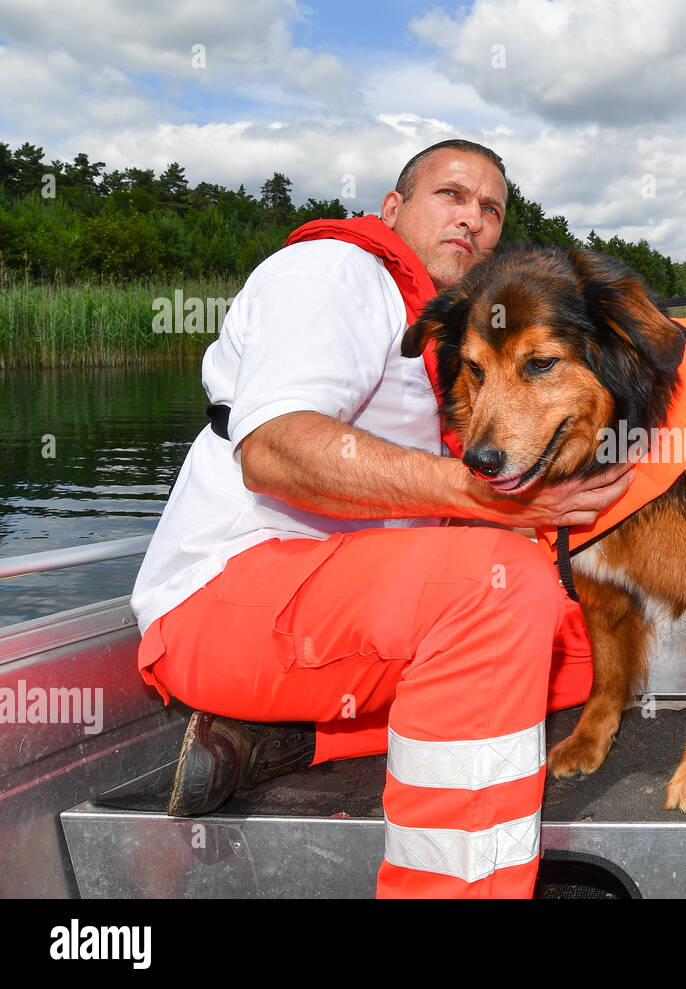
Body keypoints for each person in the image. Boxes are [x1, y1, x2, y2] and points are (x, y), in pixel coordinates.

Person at [131, 139, 633, 898]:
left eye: (491, 209)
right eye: (451, 196)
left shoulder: (446, 331)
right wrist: (477, 494)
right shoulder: (338, 273)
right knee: (501, 588)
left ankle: (291, 740)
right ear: (393, 209)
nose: (473, 220)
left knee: (602, 646)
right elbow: (274, 449)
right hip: (225, 600)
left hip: (332, 625)